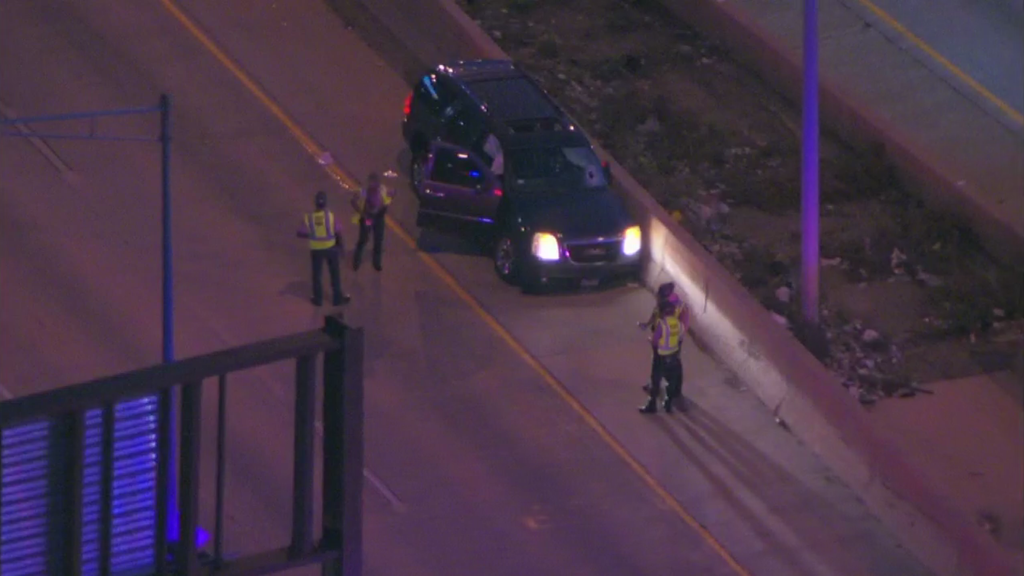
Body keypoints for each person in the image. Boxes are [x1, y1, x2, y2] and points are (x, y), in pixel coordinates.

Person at [297, 190, 350, 307]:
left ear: (315, 203)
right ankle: (337, 299)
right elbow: (338, 233)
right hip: (331, 249)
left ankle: (318, 300)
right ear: (325, 203)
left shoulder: (308, 218)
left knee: (317, 275)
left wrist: (310, 234)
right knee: (335, 274)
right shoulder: (331, 216)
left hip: (316, 250)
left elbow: (299, 233)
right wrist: (341, 248)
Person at [640, 282, 689, 392]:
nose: (658, 299)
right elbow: (655, 313)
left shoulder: (679, 306)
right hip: (661, 337)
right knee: (657, 364)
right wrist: (648, 324)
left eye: (660, 296)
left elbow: (684, 326)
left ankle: (675, 392)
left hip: (672, 341)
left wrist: (674, 338)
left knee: (672, 367)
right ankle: (654, 384)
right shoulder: (662, 302)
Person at [640, 299, 685, 414]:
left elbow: (655, 341)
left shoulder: (662, 324)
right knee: (671, 381)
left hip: (661, 356)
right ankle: (668, 404)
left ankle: (652, 405)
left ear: (663, 312)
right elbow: (680, 339)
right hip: (673, 356)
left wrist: (650, 340)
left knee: (656, 381)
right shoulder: (679, 324)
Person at [351, 172, 393, 272]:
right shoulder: (364, 192)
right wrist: (362, 213)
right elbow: (353, 201)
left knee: (378, 240)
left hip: (378, 218)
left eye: (376, 184)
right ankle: (356, 261)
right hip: (368, 218)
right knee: (363, 239)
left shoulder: (382, 190)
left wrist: (388, 200)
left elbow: (386, 202)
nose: (375, 186)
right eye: (373, 184)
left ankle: (377, 263)